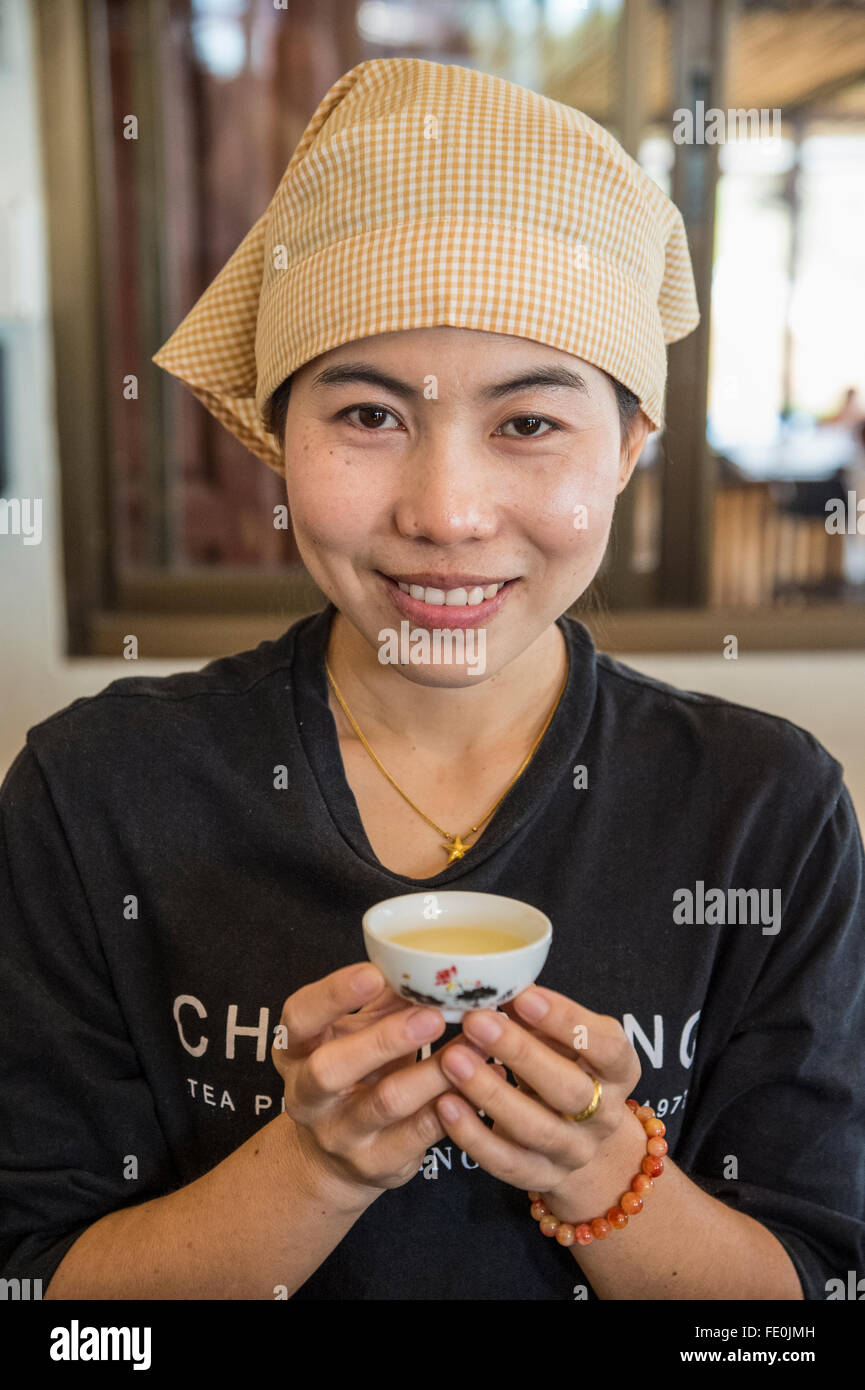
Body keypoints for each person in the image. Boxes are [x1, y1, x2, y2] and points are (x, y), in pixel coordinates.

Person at [1, 57, 863, 1303]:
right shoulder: (97, 797)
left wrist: (603, 1171)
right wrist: (309, 1164)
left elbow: (799, 1315)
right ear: (277, 437)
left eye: (527, 423)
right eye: (366, 415)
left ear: (627, 445)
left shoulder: (760, 813)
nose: (447, 514)